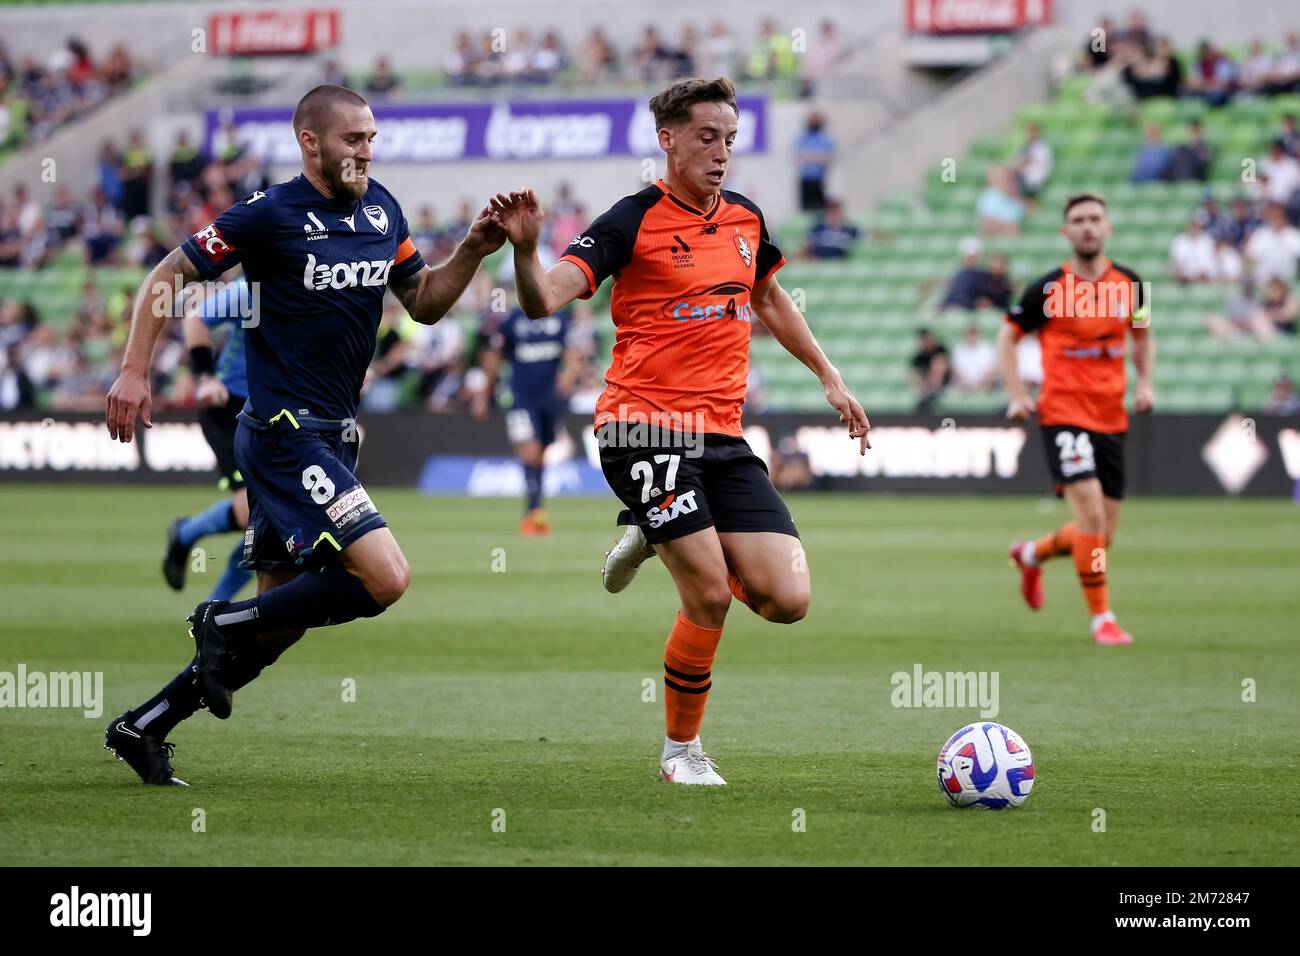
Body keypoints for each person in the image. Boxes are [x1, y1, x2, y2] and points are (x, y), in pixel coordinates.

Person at [102, 84, 511, 785]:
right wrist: (136, 370)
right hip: (286, 435)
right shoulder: (269, 214)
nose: (365, 150)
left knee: (281, 623)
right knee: (386, 577)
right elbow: (170, 273)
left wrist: (474, 249)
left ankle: (143, 726)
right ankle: (220, 622)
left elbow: (424, 303)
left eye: (371, 137)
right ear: (310, 142)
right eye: (353, 138)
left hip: (334, 435)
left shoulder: (383, 208)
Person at [492, 76, 870, 786]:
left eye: (729, 139)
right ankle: (680, 754)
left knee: (788, 601)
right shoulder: (629, 221)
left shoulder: (747, 220)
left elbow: (771, 299)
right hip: (640, 429)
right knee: (711, 597)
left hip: (723, 437)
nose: (721, 152)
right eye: (706, 137)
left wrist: (830, 376)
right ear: (667, 140)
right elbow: (544, 299)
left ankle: (658, 534)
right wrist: (524, 250)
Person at [998, 193, 1154, 646]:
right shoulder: (1047, 289)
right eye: (1078, 220)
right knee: (1089, 516)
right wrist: (1016, 394)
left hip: (1111, 416)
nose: (1087, 226)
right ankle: (1102, 619)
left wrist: (1144, 384)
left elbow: (1142, 336)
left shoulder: (1133, 286)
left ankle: (1031, 553)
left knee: (1101, 536)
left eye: (1095, 219)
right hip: (1063, 413)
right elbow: (1007, 338)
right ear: (1066, 232)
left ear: (1108, 228)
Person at [160, 275, 255, 604]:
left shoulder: (321, 292)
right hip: (228, 406)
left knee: (272, 526)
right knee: (253, 515)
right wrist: (206, 376)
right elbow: (196, 320)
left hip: (274, 410)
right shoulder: (250, 290)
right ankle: (213, 609)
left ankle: (213, 611)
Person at [474, 267, 588, 536]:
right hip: (521, 398)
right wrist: (484, 396)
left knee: (542, 455)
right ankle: (534, 513)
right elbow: (494, 360)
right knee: (531, 451)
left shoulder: (559, 320)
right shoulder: (511, 321)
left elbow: (572, 356)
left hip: (549, 400)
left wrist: (567, 378)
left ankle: (535, 509)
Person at [795, 112, 834, 211]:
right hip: (806, 179)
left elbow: (827, 159)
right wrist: (817, 157)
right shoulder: (803, 137)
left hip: (820, 179)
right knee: (805, 209)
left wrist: (810, 157)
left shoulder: (825, 139)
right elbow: (800, 157)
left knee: (821, 209)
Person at [910, 327, 950, 411]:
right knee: (915, 374)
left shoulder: (940, 350)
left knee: (938, 363)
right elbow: (914, 372)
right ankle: (925, 393)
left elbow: (945, 366)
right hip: (926, 383)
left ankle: (933, 390)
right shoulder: (919, 356)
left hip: (945, 382)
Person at [950, 324, 998, 392]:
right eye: (969, 335)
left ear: (978, 335)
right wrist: (964, 383)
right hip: (963, 386)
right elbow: (956, 371)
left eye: (973, 334)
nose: (971, 337)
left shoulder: (987, 348)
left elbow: (993, 369)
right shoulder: (959, 349)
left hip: (985, 385)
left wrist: (982, 382)